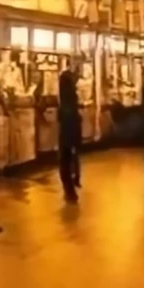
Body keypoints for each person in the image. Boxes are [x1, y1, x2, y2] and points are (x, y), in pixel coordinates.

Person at [57, 68, 82, 203]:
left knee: (64, 165)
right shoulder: (73, 98)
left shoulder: (65, 101)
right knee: (70, 162)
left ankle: (70, 193)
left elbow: (64, 119)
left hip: (66, 136)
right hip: (72, 136)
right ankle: (72, 189)